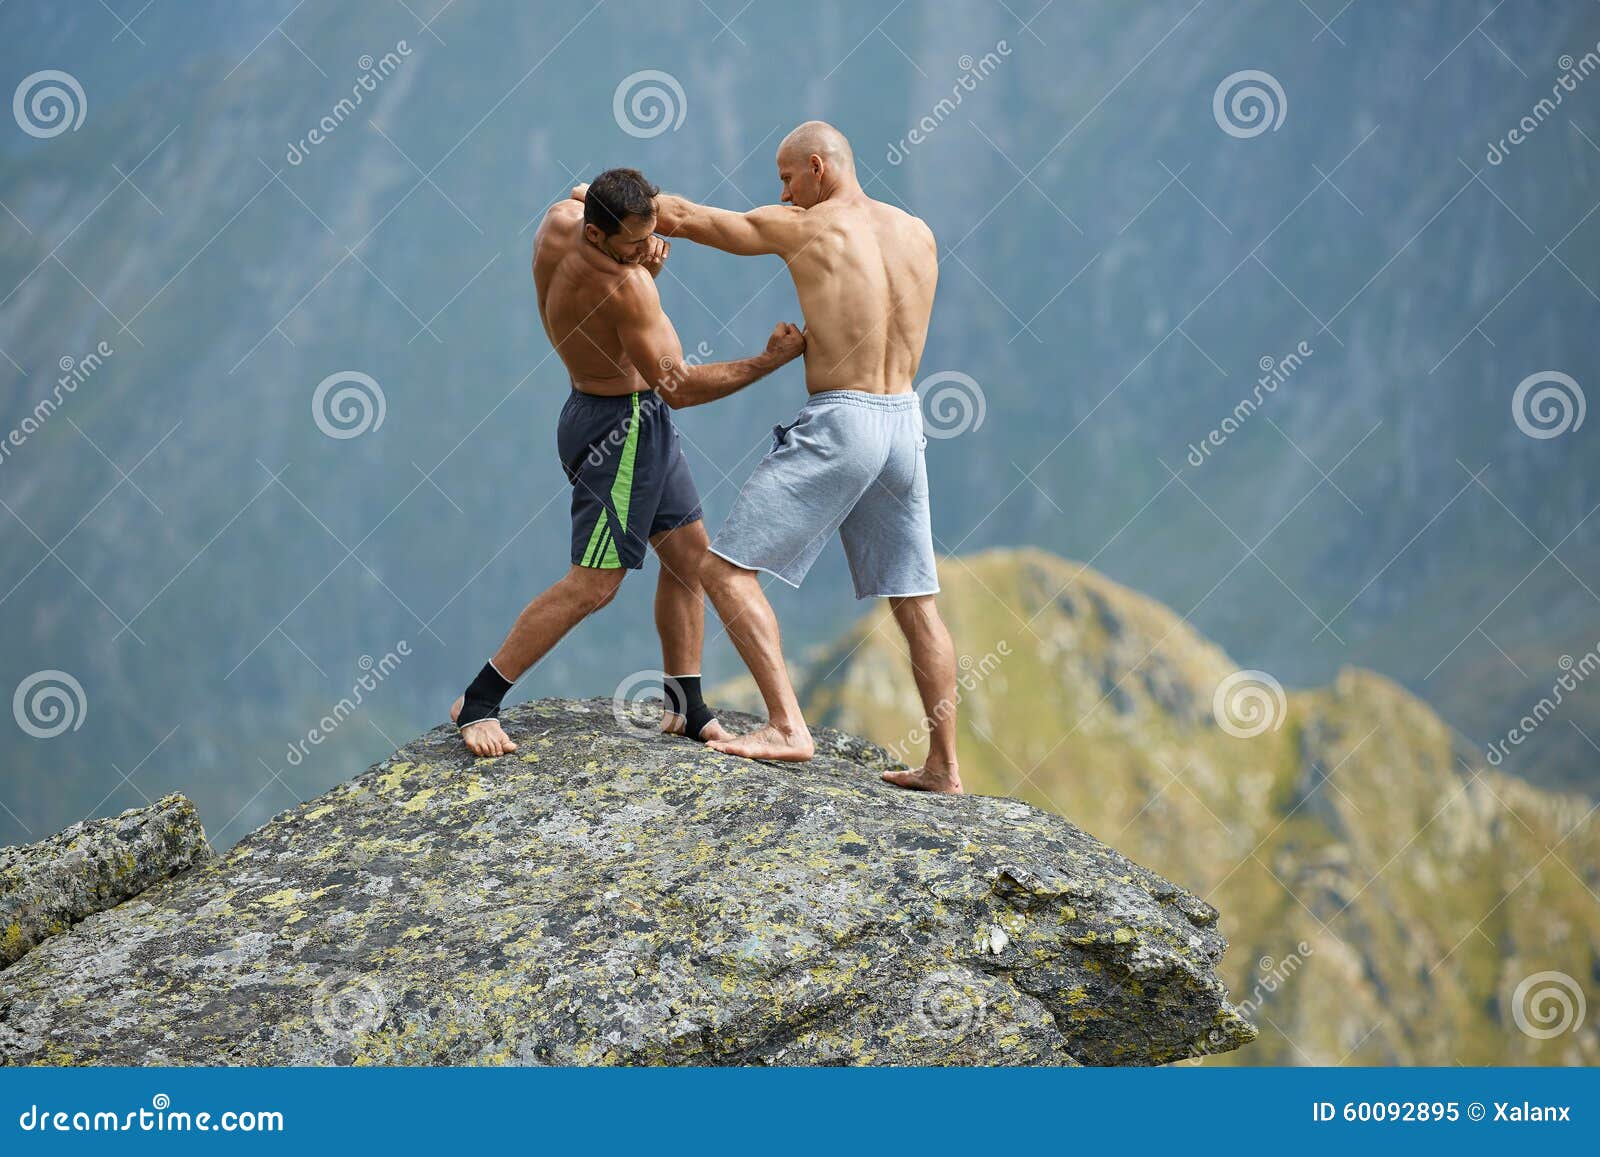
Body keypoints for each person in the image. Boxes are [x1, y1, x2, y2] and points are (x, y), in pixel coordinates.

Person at [575, 122, 963, 793]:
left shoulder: (805, 228)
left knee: (722, 570)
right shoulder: (918, 233)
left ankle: (787, 726)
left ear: (818, 167)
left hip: (845, 419)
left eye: (787, 178)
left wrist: (594, 200)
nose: (783, 193)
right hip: (905, 420)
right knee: (915, 601)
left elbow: (690, 219)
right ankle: (944, 766)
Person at [451, 167, 805, 757]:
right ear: (596, 234)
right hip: (621, 431)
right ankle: (478, 700)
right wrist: (770, 360)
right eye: (634, 243)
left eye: (651, 234)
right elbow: (680, 387)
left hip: (609, 413)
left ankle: (685, 705)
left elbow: (585, 198)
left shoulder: (561, 219)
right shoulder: (626, 288)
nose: (648, 249)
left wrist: (638, 248)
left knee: (689, 561)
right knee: (594, 583)